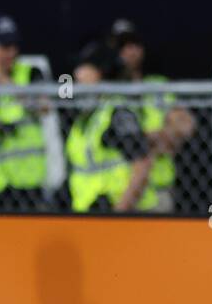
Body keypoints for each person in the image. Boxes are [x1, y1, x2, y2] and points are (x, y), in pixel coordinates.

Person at [108, 18, 194, 212]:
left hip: (157, 192)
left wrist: (139, 140)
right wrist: (156, 140)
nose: (130, 51)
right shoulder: (107, 92)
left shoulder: (157, 85)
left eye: (134, 44)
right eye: (122, 46)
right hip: (118, 193)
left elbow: (185, 125)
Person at [64, 42, 156, 213]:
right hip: (89, 212)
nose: (77, 74)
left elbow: (143, 164)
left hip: (121, 214)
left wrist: (119, 213)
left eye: (85, 68)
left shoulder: (117, 112)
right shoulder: (86, 116)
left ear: (101, 72)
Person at [0, 13, 47, 211]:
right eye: (4, 46)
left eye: (14, 45)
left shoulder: (30, 73)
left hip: (28, 188)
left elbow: (44, 107)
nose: (12, 52)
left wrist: (1, 81)